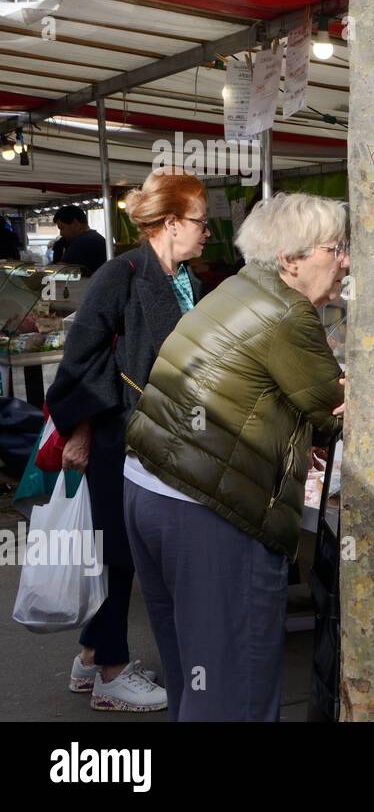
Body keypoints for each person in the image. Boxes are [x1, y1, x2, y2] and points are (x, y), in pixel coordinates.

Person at [124, 193, 347, 721]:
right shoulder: (288, 313)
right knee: (234, 692)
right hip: (209, 509)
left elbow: (258, 392)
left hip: (152, 488)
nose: (345, 261)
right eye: (335, 248)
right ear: (290, 259)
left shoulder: (239, 289)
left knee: (197, 681)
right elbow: (331, 409)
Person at [45, 168, 209, 713]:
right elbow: (80, 356)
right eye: (200, 222)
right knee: (118, 549)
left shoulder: (186, 278)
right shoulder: (123, 273)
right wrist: (82, 431)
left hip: (163, 432)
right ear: (168, 223)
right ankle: (113, 672)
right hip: (119, 429)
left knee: (121, 547)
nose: (206, 231)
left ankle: (92, 656)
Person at [51, 205, 108, 274]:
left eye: (62, 228)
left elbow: (58, 270)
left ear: (75, 224)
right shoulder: (95, 237)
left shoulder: (84, 242)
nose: (61, 233)